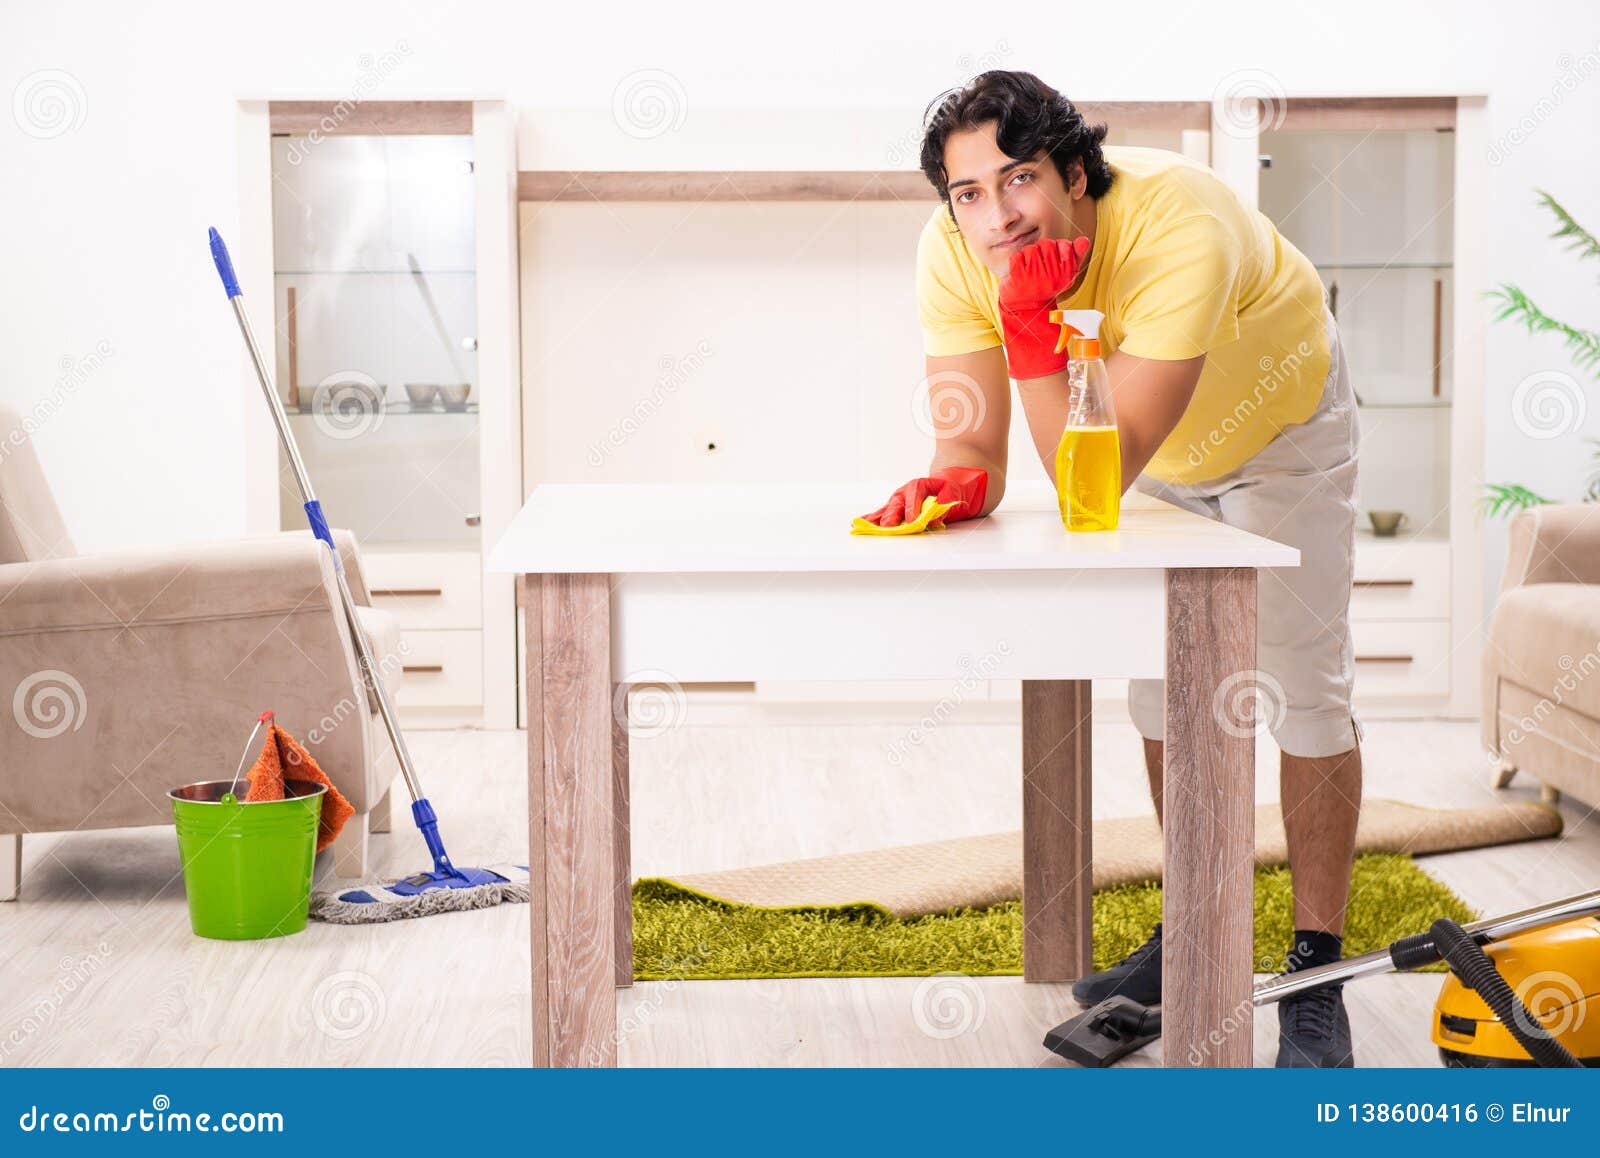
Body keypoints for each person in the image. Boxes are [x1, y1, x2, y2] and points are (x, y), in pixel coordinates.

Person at [860, 70, 1364, 1067]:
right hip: (1150, 459)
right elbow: (981, 455)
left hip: (1278, 431)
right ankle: (1194, 934)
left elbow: (1096, 476)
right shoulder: (951, 254)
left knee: (1302, 686)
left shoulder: (1180, 220)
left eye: (1019, 180)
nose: (997, 215)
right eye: (968, 194)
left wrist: (1024, 330)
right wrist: (950, 487)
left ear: (1076, 174)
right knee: (1162, 696)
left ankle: (1316, 970)